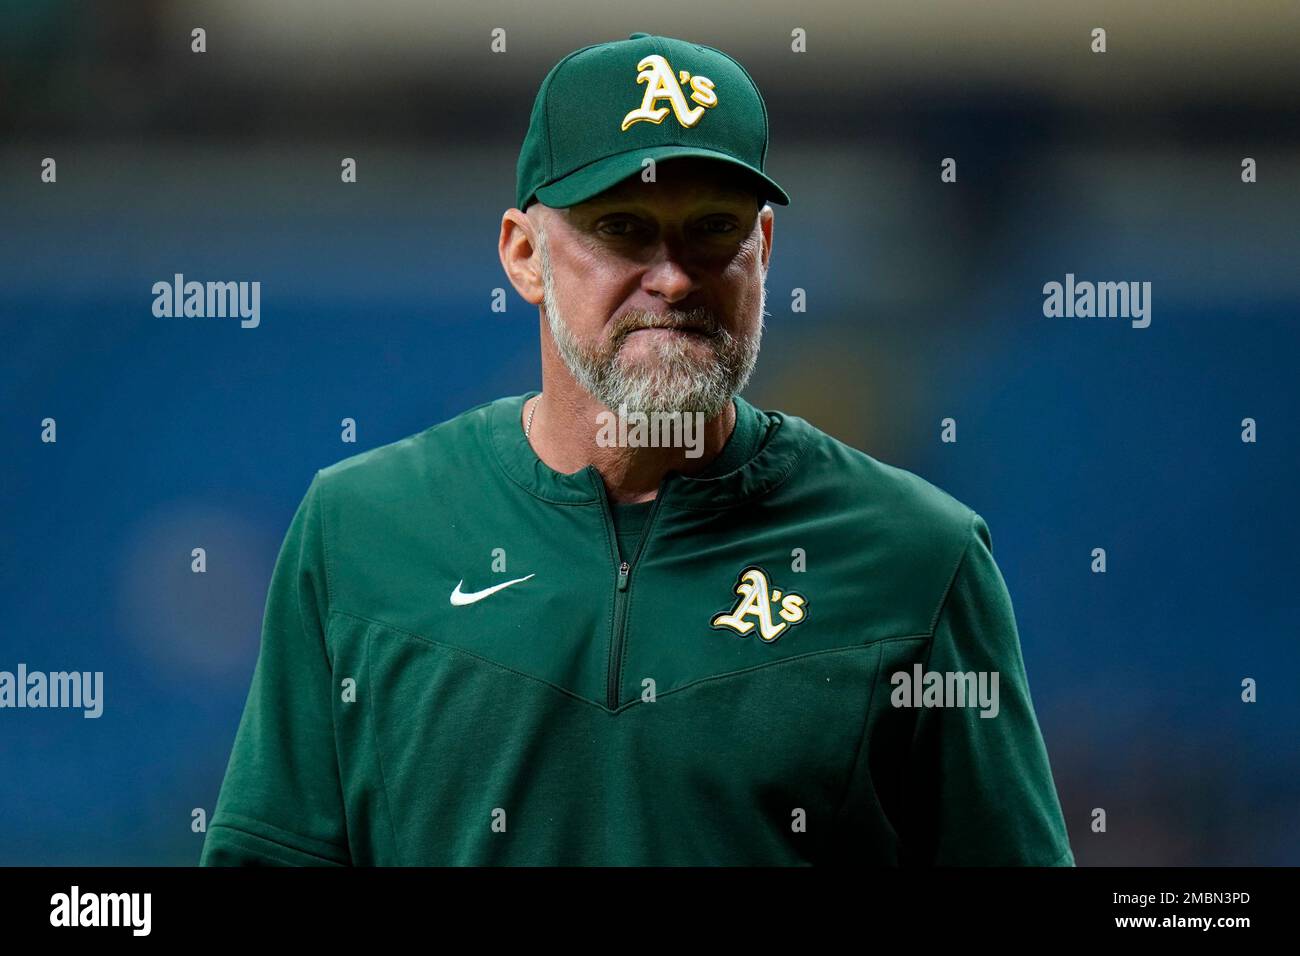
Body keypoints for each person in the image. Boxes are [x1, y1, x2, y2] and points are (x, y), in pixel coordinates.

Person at [201, 31, 1074, 866]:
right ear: (524, 255)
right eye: (622, 228)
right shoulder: (361, 532)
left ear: (763, 251)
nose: (675, 275)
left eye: (714, 227)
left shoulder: (920, 555)